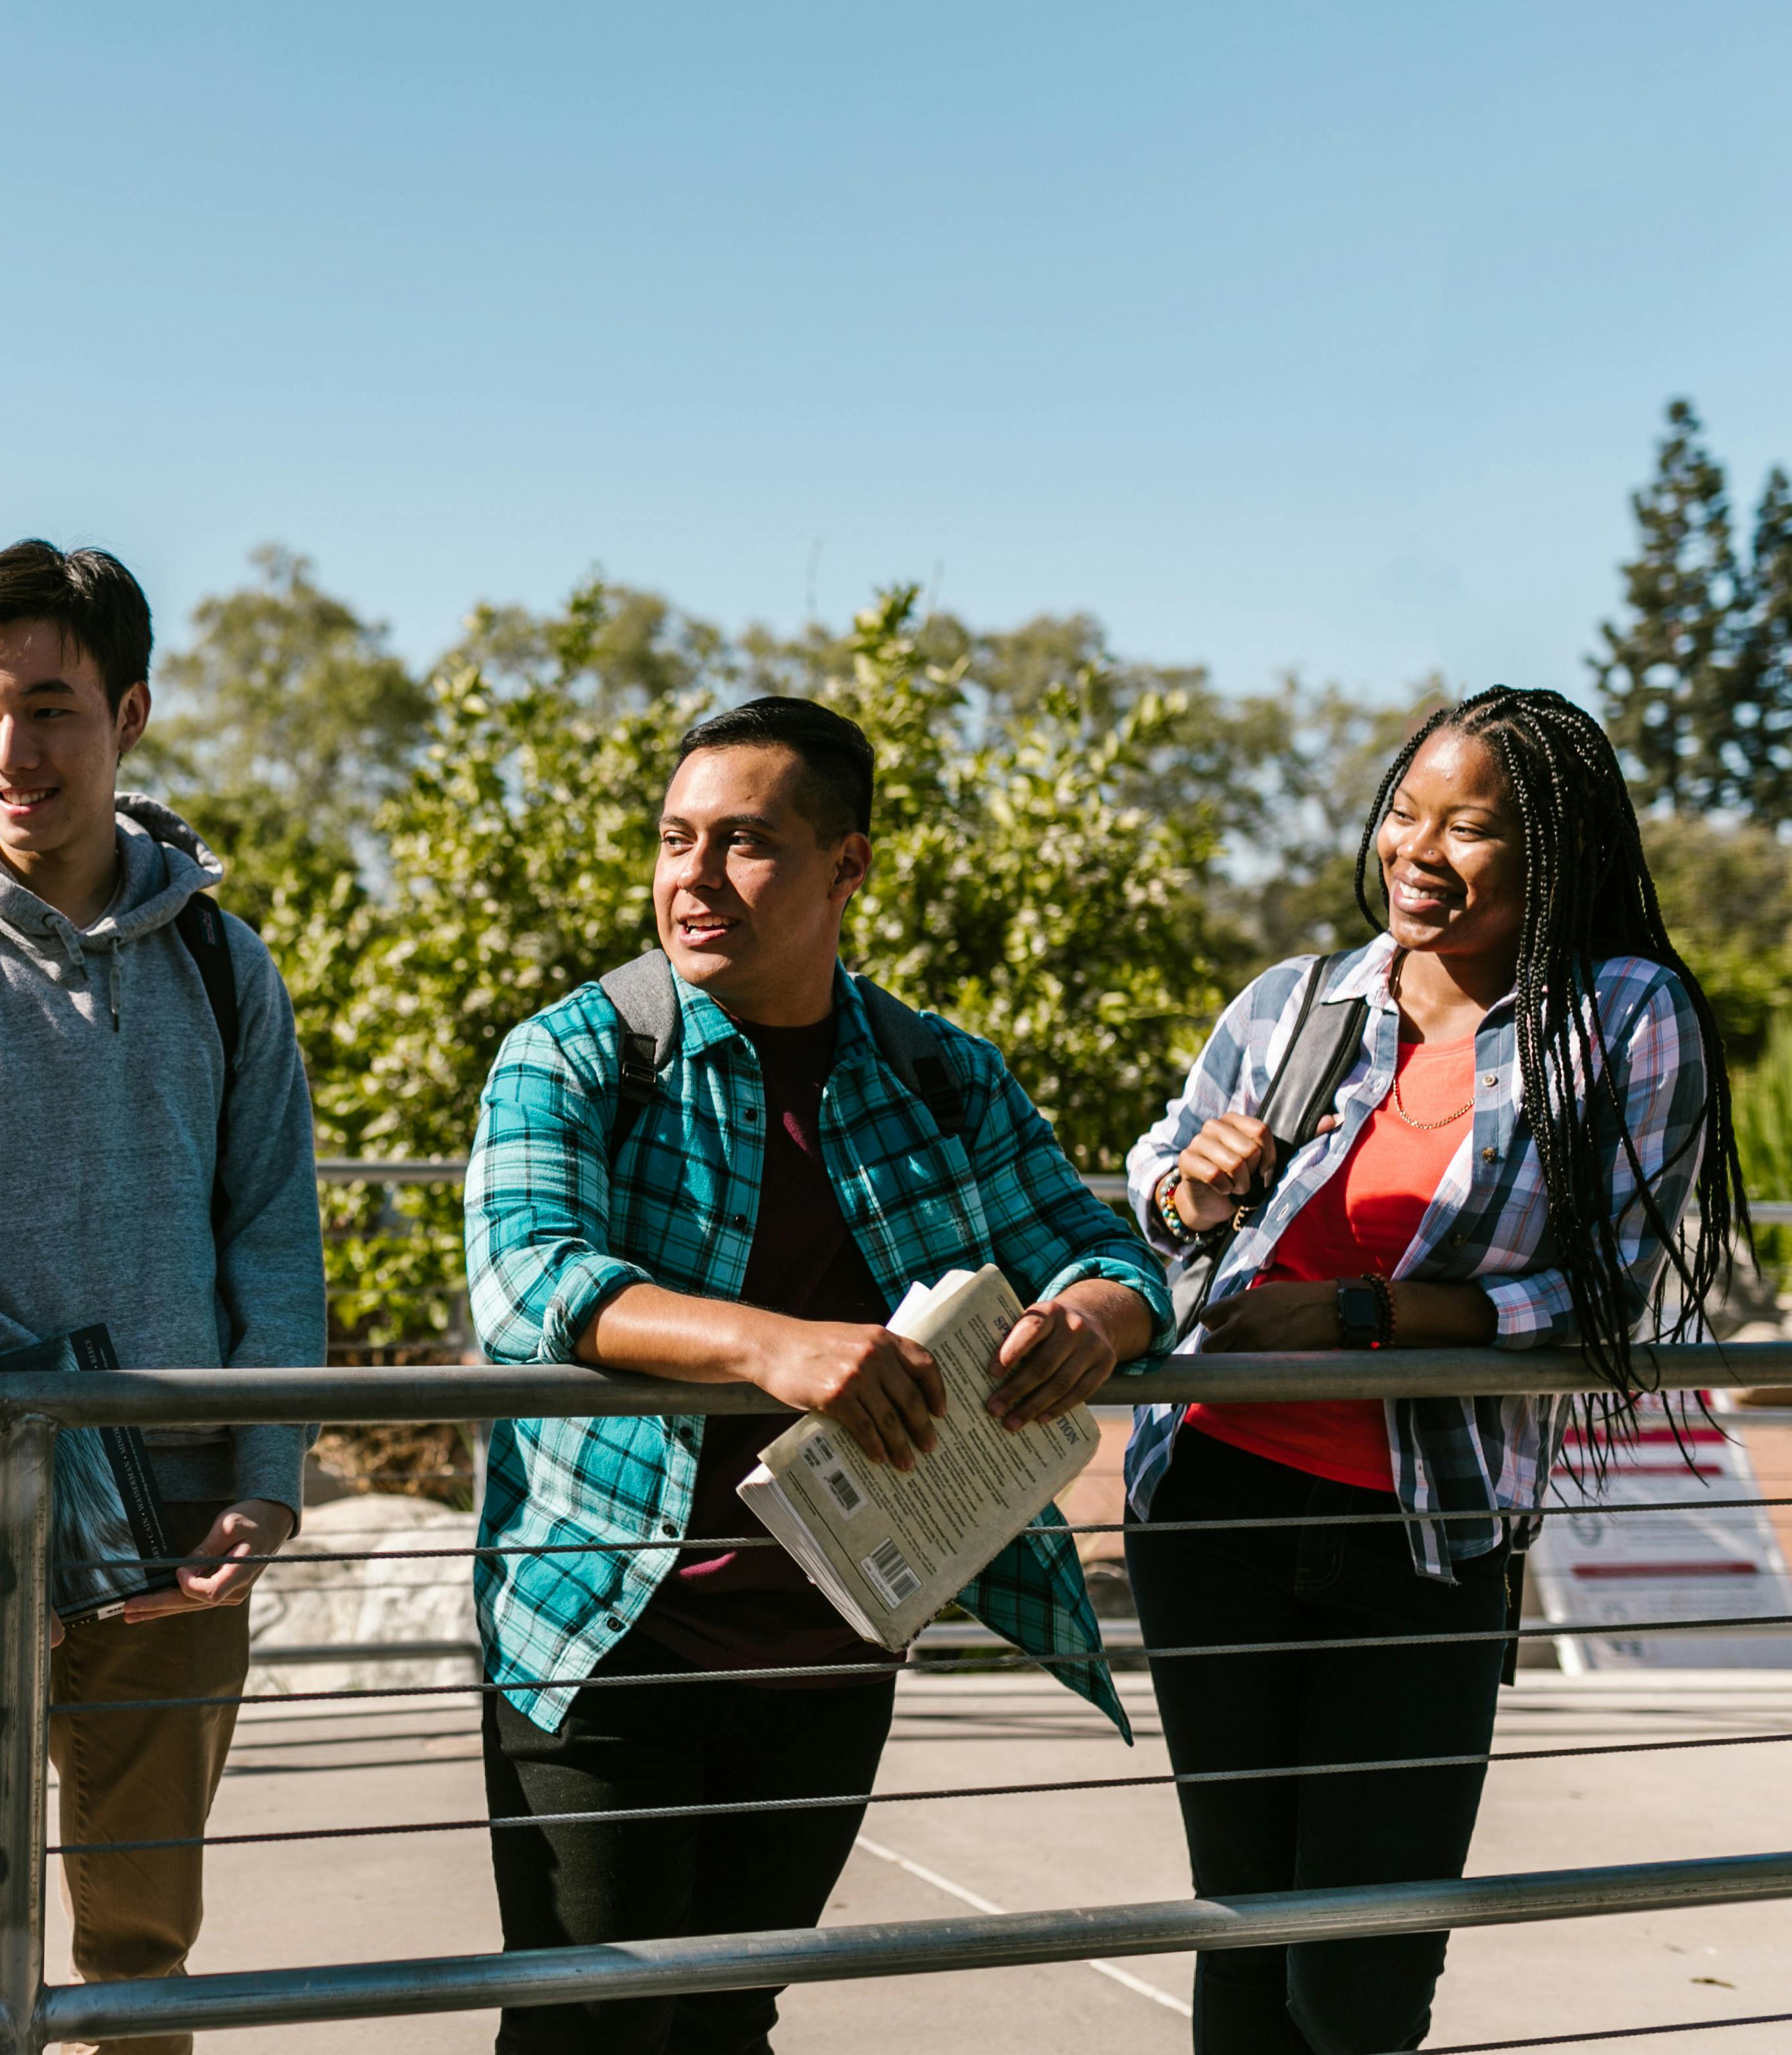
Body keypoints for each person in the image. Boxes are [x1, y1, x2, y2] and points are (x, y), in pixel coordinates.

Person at [463, 695, 1174, 2055]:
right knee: (586, 2035)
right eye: (674, 839)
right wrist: (767, 1346)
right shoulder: (573, 1055)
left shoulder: (941, 1077)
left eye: (744, 843)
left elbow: (1104, 1249)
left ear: (846, 866)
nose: (690, 876)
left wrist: (1092, 1316)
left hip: (834, 1650)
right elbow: (527, 1280)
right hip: (607, 1638)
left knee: (729, 2023)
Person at [1124, 685, 1742, 2054]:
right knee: (1238, 1928)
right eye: (1404, 812)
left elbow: (1601, 1292)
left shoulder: (1619, 1019)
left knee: (1358, 1973)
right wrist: (1190, 1194)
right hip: (1211, 1503)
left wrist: (1362, 1317)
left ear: (1553, 857)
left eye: (1467, 827)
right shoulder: (1292, 1003)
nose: (1417, 849)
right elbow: (1154, 1200)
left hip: (1421, 1531)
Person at [0, 540, 326, 2053]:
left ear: (131, 715)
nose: (8, 752)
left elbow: (271, 1239)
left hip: (169, 1526)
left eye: (50, 708)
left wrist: (265, 1482)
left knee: (140, 1951)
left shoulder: (226, 968)